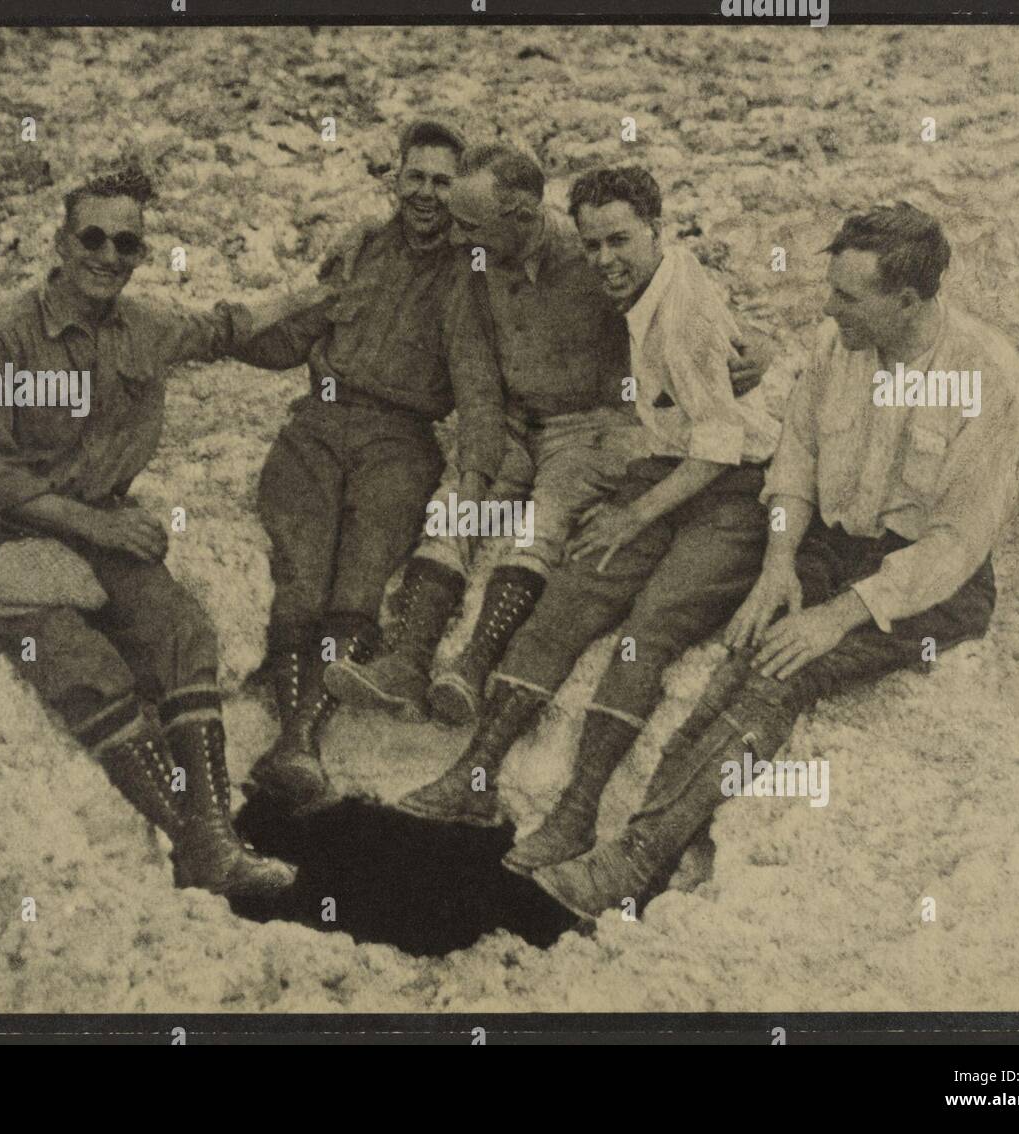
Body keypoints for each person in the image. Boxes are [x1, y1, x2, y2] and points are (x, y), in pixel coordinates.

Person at [531, 201, 1019, 919]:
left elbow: (957, 543)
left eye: (846, 297)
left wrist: (837, 617)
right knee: (737, 659)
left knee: (778, 676)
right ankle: (635, 842)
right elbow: (795, 459)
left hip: (923, 581)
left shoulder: (991, 377)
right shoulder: (840, 347)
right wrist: (777, 563)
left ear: (909, 300)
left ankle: (635, 861)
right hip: (832, 544)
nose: (829, 310)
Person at [392, 166, 782, 857]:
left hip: (737, 489)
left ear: (657, 229)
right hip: (669, 466)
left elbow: (721, 444)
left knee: (649, 625)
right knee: (571, 593)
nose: (605, 259)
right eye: (594, 243)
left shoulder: (681, 306)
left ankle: (576, 815)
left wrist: (635, 517)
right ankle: (474, 776)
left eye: (620, 240)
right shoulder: (635, 284)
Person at [0, 162, 295, 900]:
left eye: (126, 245)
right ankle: (199, 842)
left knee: (182, 631)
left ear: (140, 253)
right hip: (1, 539)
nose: (108, 256)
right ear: (61, 244)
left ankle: (214, 834)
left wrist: (326, 291)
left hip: (99, 533)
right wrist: (96, 524)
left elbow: (229, 329)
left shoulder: (146, 325)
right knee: (83, 661)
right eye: (92, 238)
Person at [326, 146, 768, 728]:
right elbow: (477, 378)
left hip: (596, 426)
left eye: (471, 226)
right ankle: (406, 663)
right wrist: (476, 475)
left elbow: (688, 308)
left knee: (547, 519)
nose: (457, 237)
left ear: (523, 215)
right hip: (510, 423)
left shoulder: (594, 253)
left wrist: (755, 346)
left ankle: (474, 668)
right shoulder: (478, 260)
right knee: (453, 512)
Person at [230, 120, 506, 812]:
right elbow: (294, 334)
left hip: (399, 438)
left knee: (363, 570)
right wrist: (214, 334)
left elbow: (475, 386)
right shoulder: (359, 250)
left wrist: (476, 477)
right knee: (300, 564)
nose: (426, 195)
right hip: (317, 422)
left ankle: (301, 739)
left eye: (443, 182)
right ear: (396, 180)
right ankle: (296, 743)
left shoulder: (470, 272)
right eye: (415, 177)